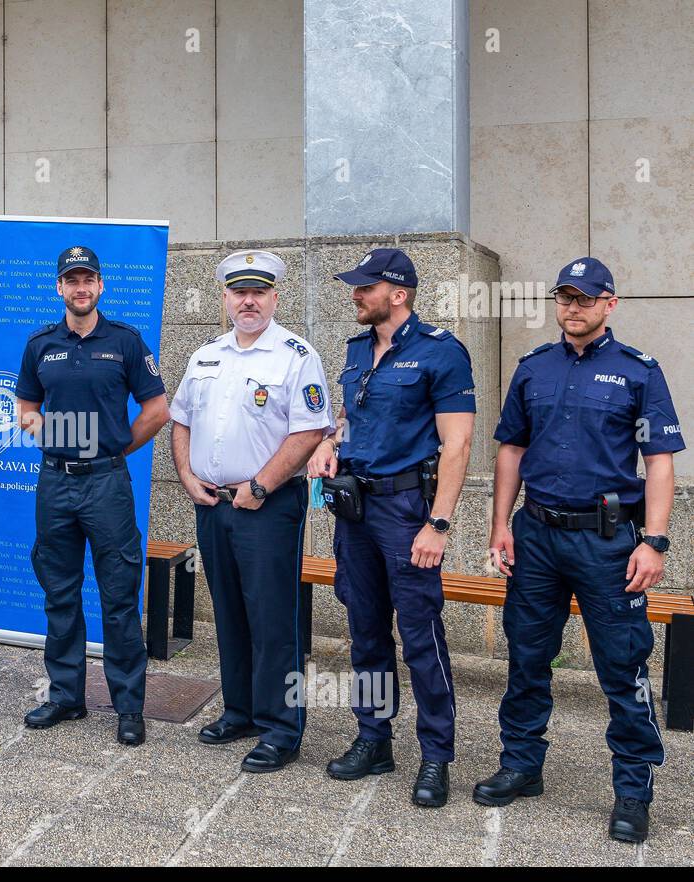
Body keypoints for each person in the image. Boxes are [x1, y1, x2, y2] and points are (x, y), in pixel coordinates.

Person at [475, 257, 682, 844]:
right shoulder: (533, 369)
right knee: (527, 656)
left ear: (609, 304)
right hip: (536, 535)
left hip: (608, 541)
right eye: (564, 297)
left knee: (622, 665)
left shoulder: (639, 372)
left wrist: (655, 541)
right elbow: (510, 450)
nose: (573, 307)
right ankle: (521, 765)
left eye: (585, 298)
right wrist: (500, 527)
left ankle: (633, 793)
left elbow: (659, 462)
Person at [307, 247, 475, 808]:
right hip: (356, 512)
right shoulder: (357, 349)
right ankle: (374, 738)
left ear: (397, 294)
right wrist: (331, 443)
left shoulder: (441, 353)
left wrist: (439, 523)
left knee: (421, 635)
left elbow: (458, 443)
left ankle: (436, 756)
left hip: (408, 515)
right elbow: (351, 417)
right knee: (366, 629)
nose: (355, 295)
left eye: (365, 287)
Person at [171, 251, 332, 771]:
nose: (248, 301)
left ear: (274, 298)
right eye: (239, 292)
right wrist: (188, 477)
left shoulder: (294, 355)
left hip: (265, 506)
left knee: (272, 619)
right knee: (229, 613)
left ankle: (281, 727)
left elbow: (310, 430)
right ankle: (239, 710)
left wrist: (260, 487)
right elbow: (181, 421)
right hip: (212, 504)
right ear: (226, 298)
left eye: (258, 292)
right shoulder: (205, 355)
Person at [15, 245, 170, 748]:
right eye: (71, 281)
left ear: (100, 286)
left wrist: (115, 445)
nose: (80, 288)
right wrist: (62, 438)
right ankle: (65, 696)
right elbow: (25, 409)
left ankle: (129, 706)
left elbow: (157, 408)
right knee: (59, 593)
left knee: (119, 597)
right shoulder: (40, 344)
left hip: (107, 483)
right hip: (56, 483)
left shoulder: (124, 341)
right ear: (59, 288)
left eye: (89, 280)